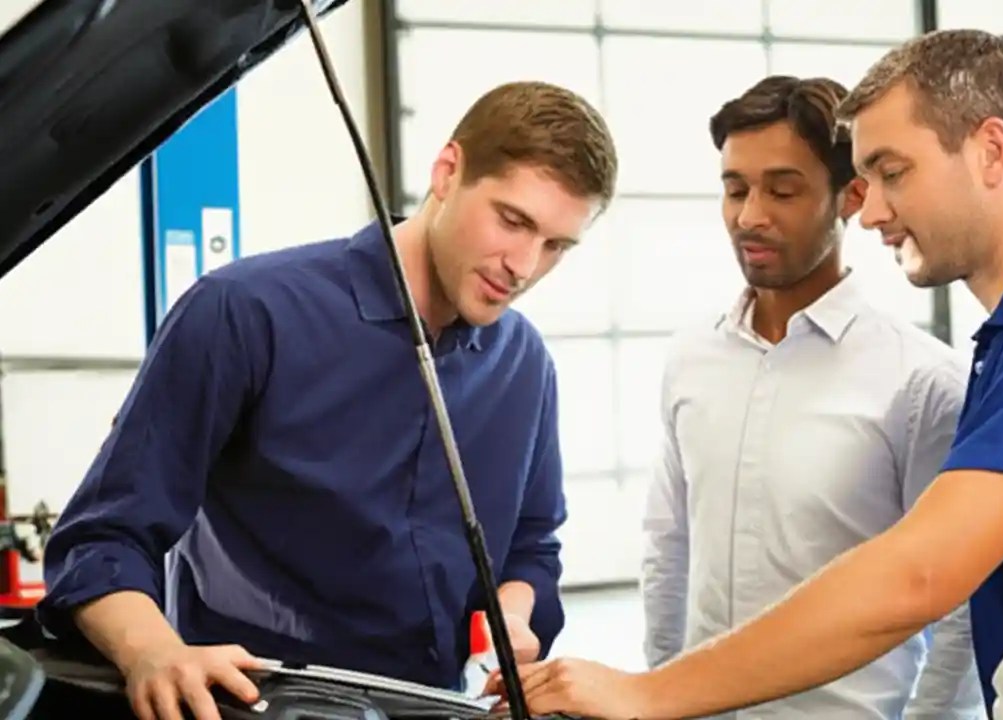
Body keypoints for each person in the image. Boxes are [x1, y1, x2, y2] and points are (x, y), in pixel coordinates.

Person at [487, 29, 1003, 720]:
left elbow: (920, 576)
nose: (869, 211)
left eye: (892, 171)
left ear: (992, 151)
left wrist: (646, 694)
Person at [37, 80, 618, 720]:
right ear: (448, 172)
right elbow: (102, 539)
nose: (525, 266)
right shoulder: (244, 314)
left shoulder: (525, 363)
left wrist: (511, 613)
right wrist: (151, 650)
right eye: (513, 220)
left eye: (557, 245)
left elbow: (532, 548)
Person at [639, 75, 981, 719]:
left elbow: (960, 602)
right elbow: (669, 545)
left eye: (783, 190)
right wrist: (659, 697)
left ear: (851, 197)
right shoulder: (691, 359)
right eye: (735, 189)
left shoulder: (922, 382)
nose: (750, 216)